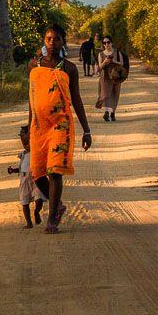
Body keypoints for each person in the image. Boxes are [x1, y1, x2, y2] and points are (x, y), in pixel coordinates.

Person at [28, 24, 92, 234]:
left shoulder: (69, 68)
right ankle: (59, 204)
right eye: (48, 39)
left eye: (56, 39)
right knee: (37, 173)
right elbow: (32, 99)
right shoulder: (34, 66)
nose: (52, 43)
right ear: (43, 41)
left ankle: (53, 217)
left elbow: (77, 99)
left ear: (63, 41)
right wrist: (28, 126)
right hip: (39, 126)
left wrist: (87, 130)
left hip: (61, 125)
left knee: (55, 171)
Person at [7, 124, 46, 229]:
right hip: (24, 179)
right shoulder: (23, 154)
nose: (26, 145)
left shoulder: (38, 152)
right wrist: (13, 170)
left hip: (36, 178)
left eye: (28, 142)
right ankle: (29, 223)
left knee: (39, 198)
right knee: (24, 202)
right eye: (24, 143)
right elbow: (22, 167)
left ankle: (37, 212)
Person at [95, 35, 130, 122]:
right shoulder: (101, 54)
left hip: (116, 76)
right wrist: (105, 62)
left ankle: (113, 113)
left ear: (111, 43)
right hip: (105, 76)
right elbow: (99, 67)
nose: (106, 44)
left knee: (115, 94)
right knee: (106, 94)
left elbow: (122, 63)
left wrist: (114, 61)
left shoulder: (117, 52)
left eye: (108, 42)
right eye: (104, 43)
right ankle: (106, 112)